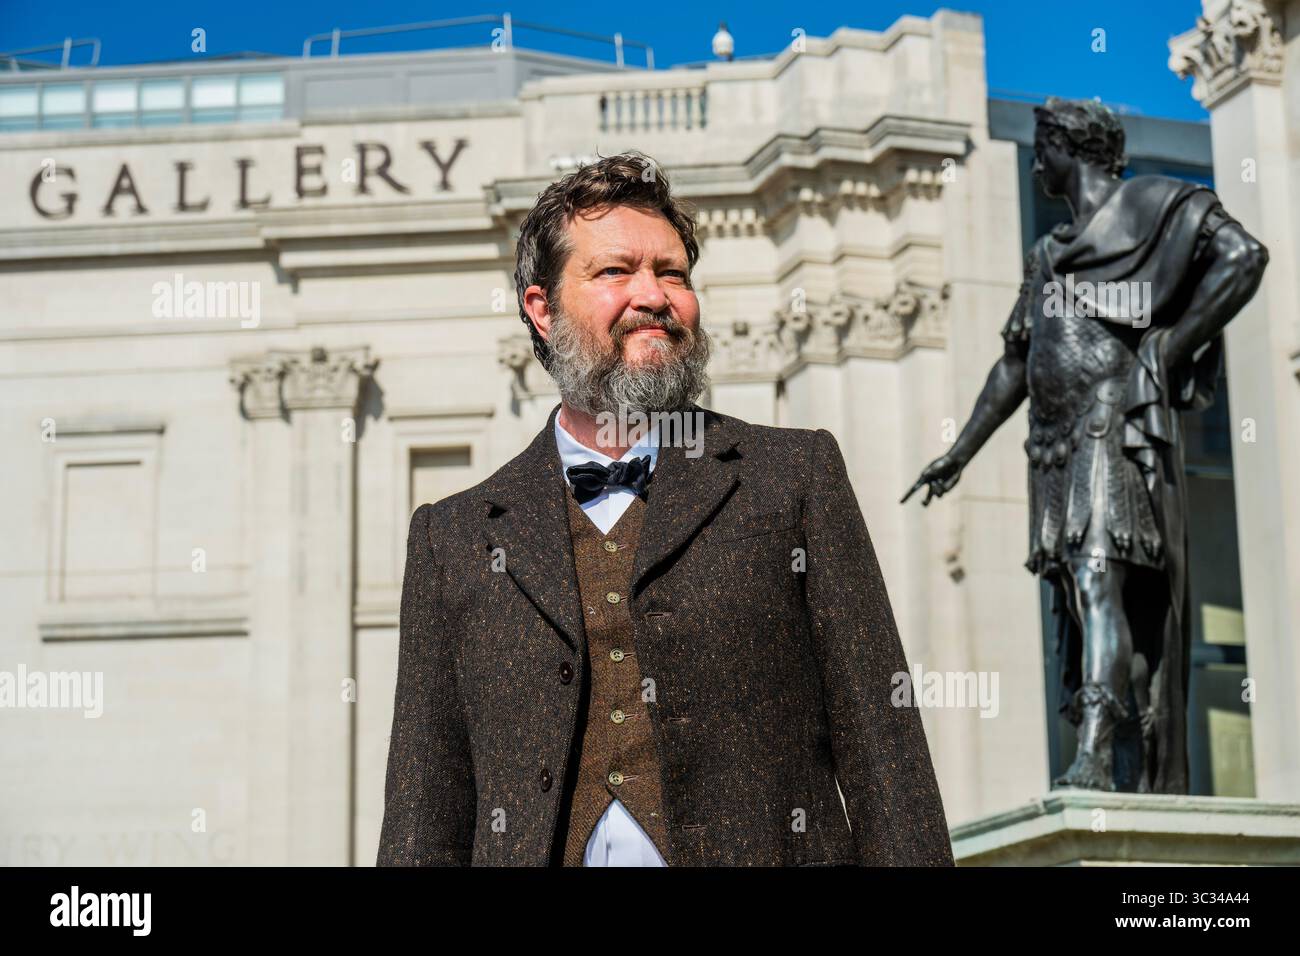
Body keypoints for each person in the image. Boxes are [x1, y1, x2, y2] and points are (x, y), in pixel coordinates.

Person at [379, 150, 953, 866]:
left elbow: (885, 752)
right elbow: (423, 809)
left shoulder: (792, 476)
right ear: (541, 307)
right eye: (615, 272)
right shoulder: (452, 536)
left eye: (672, 273)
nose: (653, 296)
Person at [904, 98, 1268, 793]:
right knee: (1080, 600)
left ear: (1071, 146)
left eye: (1044, 146)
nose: (1037, 160)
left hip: (1115, 428)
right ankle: (1123, 763)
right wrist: (961, 452)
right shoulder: (1048, 254)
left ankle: (1096, 754)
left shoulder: (1160, 204)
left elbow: (1244, 257)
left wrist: (1170, 343)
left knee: (1100, 584)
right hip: (1053, 447)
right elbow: (1016, 362)